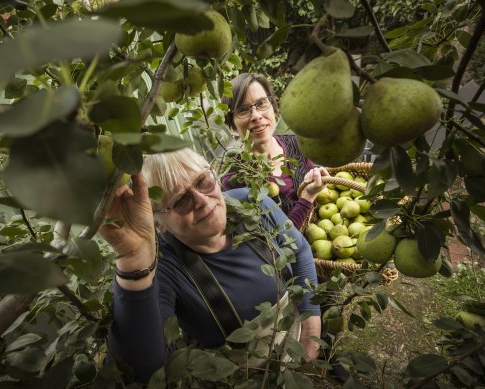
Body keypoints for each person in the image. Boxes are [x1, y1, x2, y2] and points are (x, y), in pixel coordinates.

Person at [99, 148, 321, 383]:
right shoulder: (165, 268)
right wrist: (134, 262)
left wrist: (311, 325)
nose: (203, 201)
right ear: (159, 222)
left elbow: (299, 250)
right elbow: (143, 372)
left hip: (298, 346)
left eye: (203, 181)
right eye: (181, 200)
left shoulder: (252, 203)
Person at [221, 73, 329, 230]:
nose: (256, 116)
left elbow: (322, 198)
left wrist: (320, 181)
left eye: (261, 103)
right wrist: (307, 197)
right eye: (243, 110)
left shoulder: (296, 144)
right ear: (232, 124)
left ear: (273, 106)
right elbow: (275, 245)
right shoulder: (234, 181)